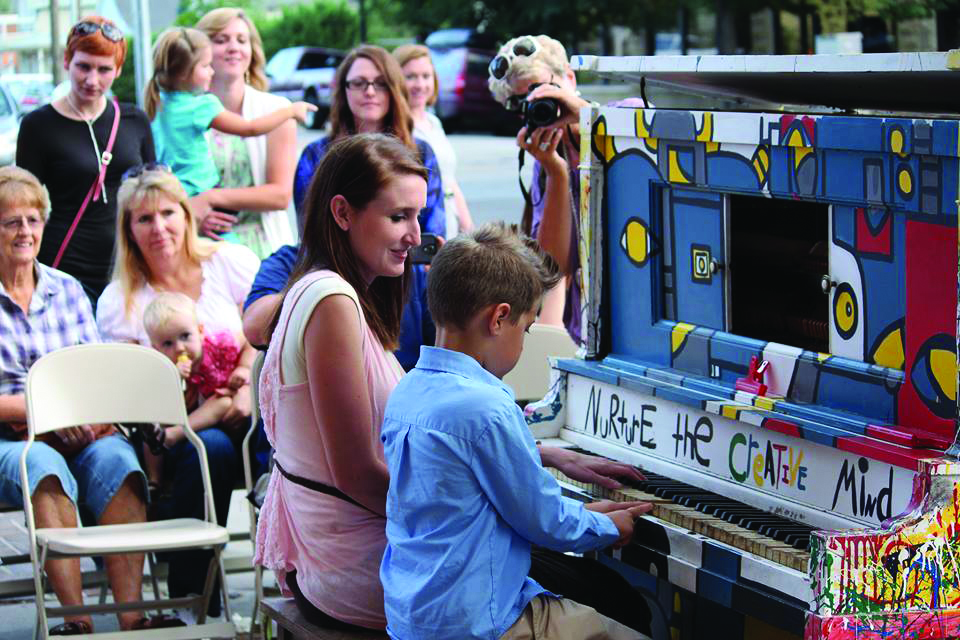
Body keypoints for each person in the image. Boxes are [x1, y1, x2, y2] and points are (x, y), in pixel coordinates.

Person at [380, 224, 652, 639]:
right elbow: (543, 520)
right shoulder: (487, 407)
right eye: (525, 330)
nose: (523, 345)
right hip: (480, 625)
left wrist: (580, 515)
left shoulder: (407, 391)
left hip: (414, 619)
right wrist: (612, 527)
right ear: (499, 318)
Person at [0, 166, 182, 633]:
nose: (25, 232)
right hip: (12, 441)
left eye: (33, 220)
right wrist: (46, 416)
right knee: (41, 464)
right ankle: (74, 621)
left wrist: (86, 418)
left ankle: (132, 615)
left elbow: (93, 376)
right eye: (11, 222)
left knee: (119, 459)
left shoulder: (67, 290)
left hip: (78, 426)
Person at [255, 133, 422, 630]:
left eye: (417, 215)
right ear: (343, 213)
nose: (415, 234)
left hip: (352, 557)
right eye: (398, 217)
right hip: (358, 571)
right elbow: (356, 474)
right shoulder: (331, 301)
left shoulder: (338, 294)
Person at [96, 166, 259, 616]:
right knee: (209, 449)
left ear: (186, 216)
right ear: (129, 230)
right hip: (171, 424)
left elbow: (265, 333)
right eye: (143, 219)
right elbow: (128, 385)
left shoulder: (228, 262)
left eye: (168, 213)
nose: (159, 227)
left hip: (248, 404)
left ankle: (295, 582)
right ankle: (193, 595)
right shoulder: (121, 299)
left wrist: (246, 385)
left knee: (274, 449)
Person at [288, 44, 444, 368]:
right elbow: (315, 231)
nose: (369, 91)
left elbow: (430, 233)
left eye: (380, 82)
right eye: (358, 83)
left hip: (405, 285)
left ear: (394, 89)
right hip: (342, 277)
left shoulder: (422, 152)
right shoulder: (316, 156)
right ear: (343, 91)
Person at [488, 34, 638, 342]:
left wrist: (585, 116)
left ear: (569, 77)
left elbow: (645, 155)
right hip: (581, 328)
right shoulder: (546, 167)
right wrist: (556, 174)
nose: (536, 108)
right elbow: (552, 268)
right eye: (522, 104)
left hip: (633, 312)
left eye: (541, 92)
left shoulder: (624, 117)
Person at [16, 16, 155, 304]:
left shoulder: (134, 120)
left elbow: (155, 194)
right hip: (65, 268)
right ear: (67, 60)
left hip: (129, 267)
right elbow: (22, 203)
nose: (92, 80)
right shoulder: (38, 125)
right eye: (83, 66)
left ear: (117, 70)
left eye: (104, 69)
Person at [145, 27, 314, 200]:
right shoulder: (201, 106)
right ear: (182, 73)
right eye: (205, 66)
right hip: (199, 191)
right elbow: (250, 129)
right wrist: (291, 111)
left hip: (173, 194)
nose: (211, 71)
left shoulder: (157, 103)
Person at [192, 8, 299, 256]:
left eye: (242, 40)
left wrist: (210, 199)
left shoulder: (277, 110)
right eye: (221, 40)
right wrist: (192, 214)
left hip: (262, 250)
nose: (233, 47)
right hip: (201, 250)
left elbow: (280, 195)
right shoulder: (183, 115)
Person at [141, 291, 251, 494]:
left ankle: (172, 436)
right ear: (155, 348)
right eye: (168, 343)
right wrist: (175, 376)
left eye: (185, 336)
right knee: (152, 426)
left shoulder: (218, 344)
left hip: (218, 409)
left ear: (200, 331)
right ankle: (154, 480)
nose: (180, 347)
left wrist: (243, 368)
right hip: (179, 417)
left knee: (224, 402)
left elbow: (247, 338)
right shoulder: (163, 367)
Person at [393, 44, 474, 238]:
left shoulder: (433, 122)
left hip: (450, 224)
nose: (420, 84)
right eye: (410, 77)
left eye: (425, 76)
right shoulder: (396, 127)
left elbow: (449, 179)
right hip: (422, 229)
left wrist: (470, 229)